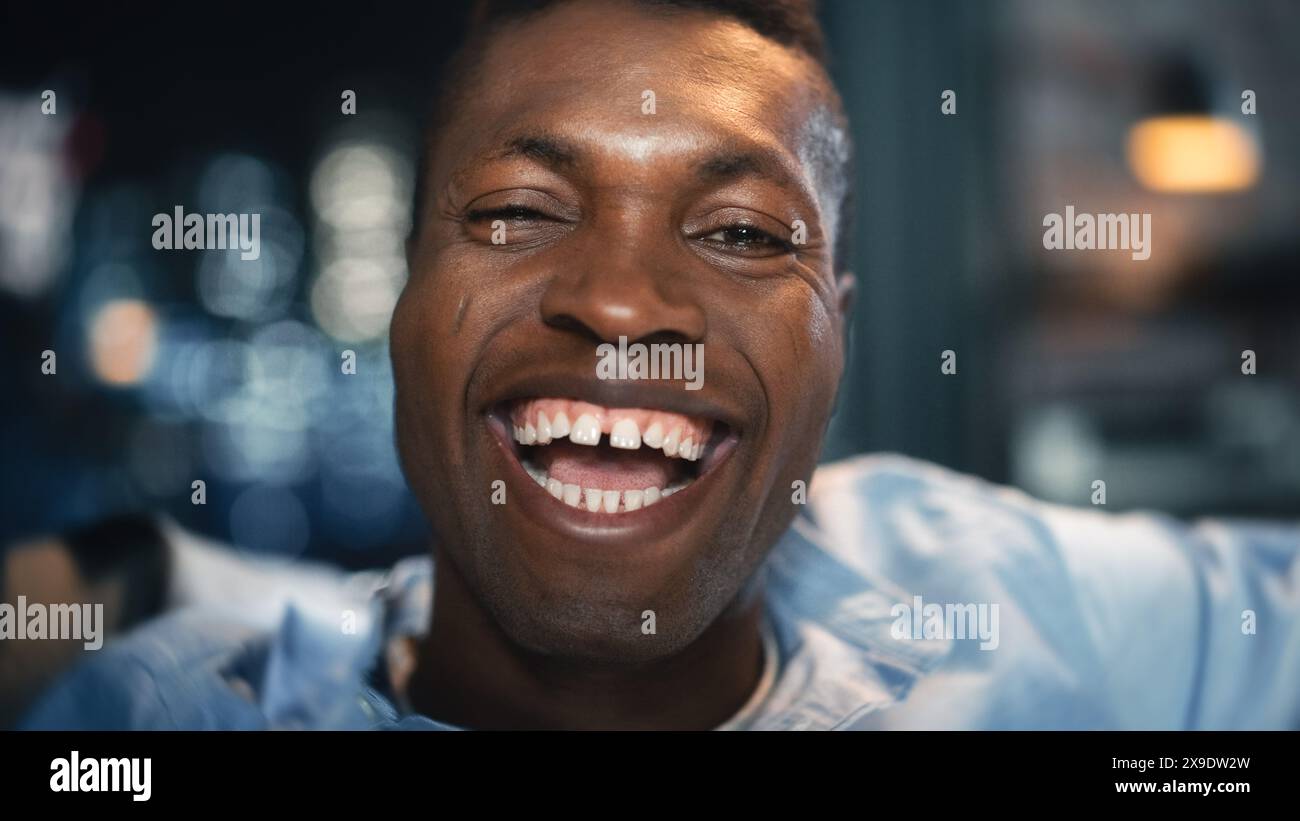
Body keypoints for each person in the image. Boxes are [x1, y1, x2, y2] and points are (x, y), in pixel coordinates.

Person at [18, 0, 1300, 730]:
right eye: (518, 211)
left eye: (742, 232)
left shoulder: (1018, 604)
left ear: (837, 332)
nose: (622, 301)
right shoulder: (147, 723)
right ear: (405, 299)